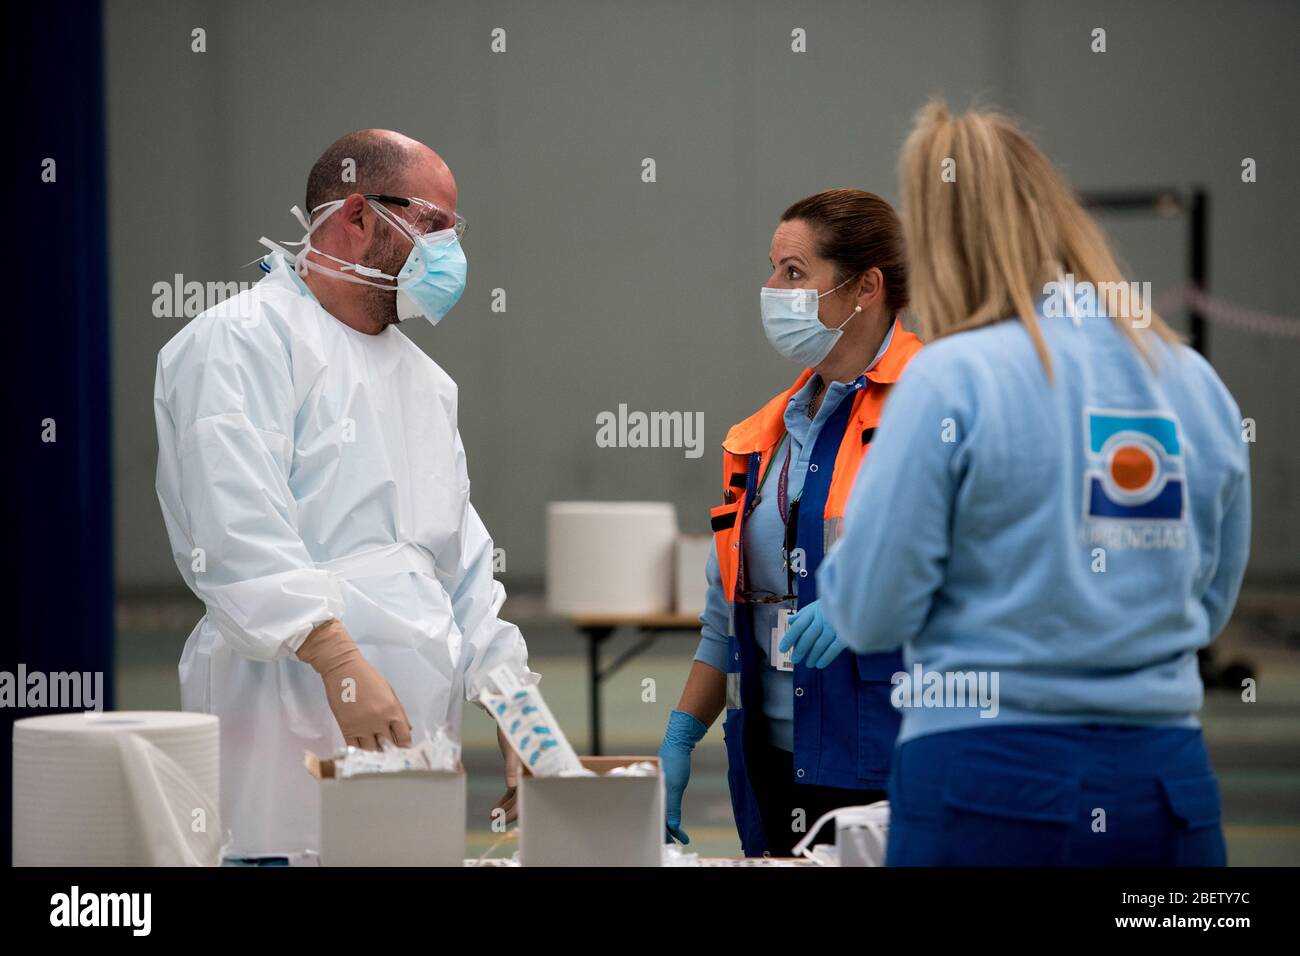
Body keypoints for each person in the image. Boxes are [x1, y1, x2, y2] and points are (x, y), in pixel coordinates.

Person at [819, 102, 1251, 866]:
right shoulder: (1189, 378)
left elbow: (872, 611)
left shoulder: (951, 379)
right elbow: (1208, 600)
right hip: (1166, 783)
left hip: (987, 783)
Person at [154, 129, 529, 859]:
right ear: (358, 216)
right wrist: (337, 660)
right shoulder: (238, 342)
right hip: (281, 705)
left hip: (416, 724)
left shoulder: (424, 381)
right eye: (434, 225)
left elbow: (460, 562)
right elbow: (234, 530)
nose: (450, 251)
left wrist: (512, 700)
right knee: (289, 845)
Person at [659, 189, 923, 856]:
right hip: (772, 762)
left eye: (794, 272)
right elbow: (728, 622)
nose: (771, 289)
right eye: (773, 268)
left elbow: (986, 577)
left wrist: (867, 605)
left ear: (866, 286)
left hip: (890, 762)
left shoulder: (935, 404)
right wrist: (681, 735)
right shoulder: (760, 439)